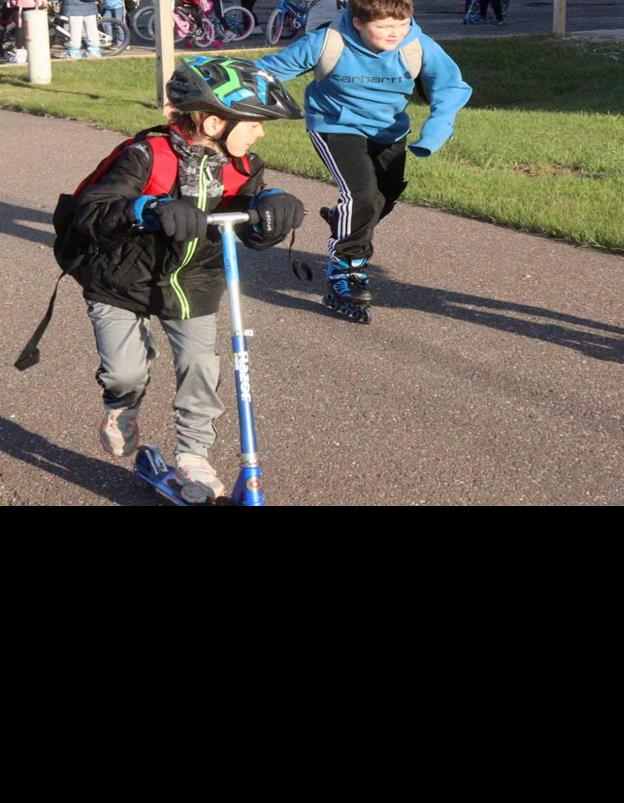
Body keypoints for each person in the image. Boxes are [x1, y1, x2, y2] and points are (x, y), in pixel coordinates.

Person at [68, 57, 305, 501]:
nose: (261, 132)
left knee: (200, 366)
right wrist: (147, 209)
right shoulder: (143, 155)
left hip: (193, 282)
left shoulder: (243, 164)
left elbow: (250, 213)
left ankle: (194, 453)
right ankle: (122, 406)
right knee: (125, 371)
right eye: (255, 123)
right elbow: (92, 211)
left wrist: (273, 206)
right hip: (122, 282)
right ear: (215, 121)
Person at [256, 0, 471, 323]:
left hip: (389, 129)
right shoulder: (327, 42)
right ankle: (347, 268)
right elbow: (266, 72)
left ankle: (344, 219)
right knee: (362, 197)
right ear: (357, 21)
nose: (395, 34)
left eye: (402, 25)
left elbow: (450, 87)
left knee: (385, 196)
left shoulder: (417, 45)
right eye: (384, 27)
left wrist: (437, 128)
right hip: (335, 126)